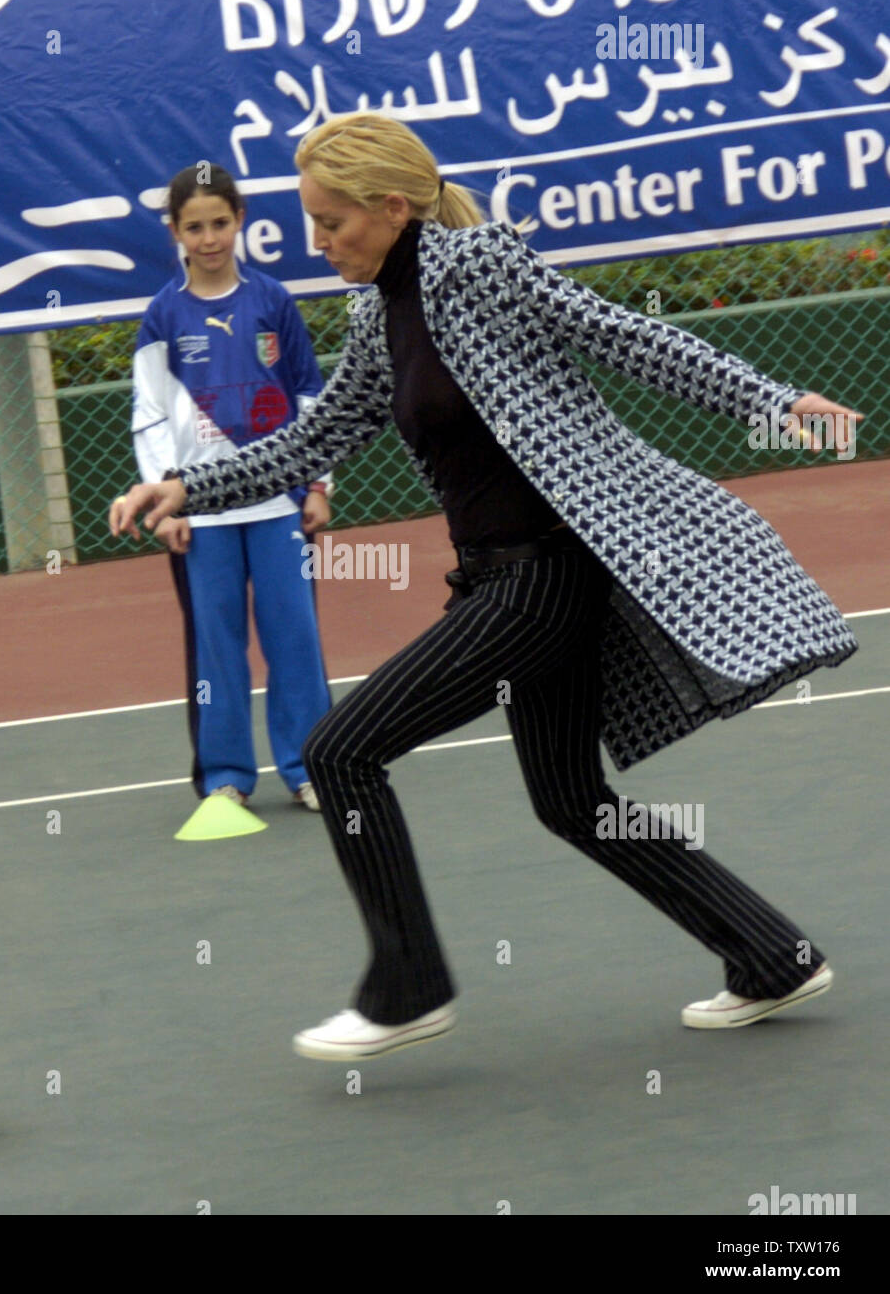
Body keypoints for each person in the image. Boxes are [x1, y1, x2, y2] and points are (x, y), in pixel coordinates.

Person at [111, 113, 861, 1060]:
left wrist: (771, 400)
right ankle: (772, 955)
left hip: (542, 578)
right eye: (308, 222)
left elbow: (624, 337)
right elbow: (315, 440)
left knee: (340, 751)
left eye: (332, 222)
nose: (317, 243)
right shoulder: (379, 312)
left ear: (391, 208)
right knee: (571, 799)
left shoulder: (480, 268)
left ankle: (407, 987)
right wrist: (188, 484)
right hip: (505, 582)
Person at [113, 162, 334, 813]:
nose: (208, 238)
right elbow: (149, 417)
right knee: (218, 647)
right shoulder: (162, 316)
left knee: (294, 637)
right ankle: (227, 777)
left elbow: (311, 395)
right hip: (199, 519)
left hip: (278, 506)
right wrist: (163, 503)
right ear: (175, 233)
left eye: (219, 223)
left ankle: (309, 767)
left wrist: (317, 485)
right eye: (193, 228)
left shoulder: (272, 301)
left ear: (240, 220)